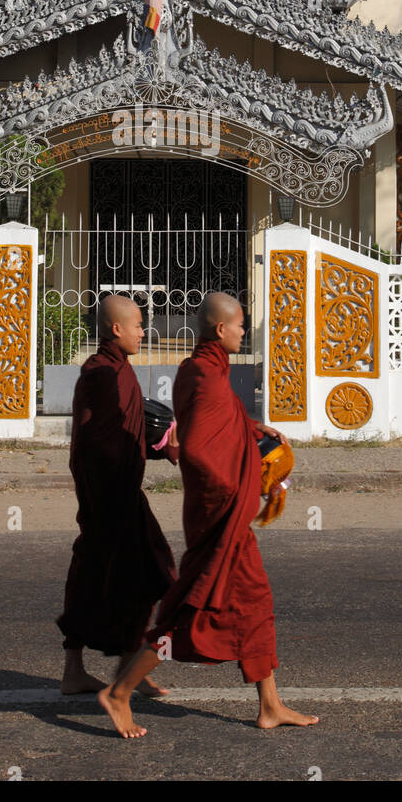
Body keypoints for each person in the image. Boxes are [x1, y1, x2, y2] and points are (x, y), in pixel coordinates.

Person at [98, 291, 319, 737]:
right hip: (219, 515)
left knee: (253, 602)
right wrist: (251, 481)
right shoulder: (206, 376)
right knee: (192, 610)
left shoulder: (201, 370)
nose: (245, 331)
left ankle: (270, 704)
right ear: (221, 330)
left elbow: (222, 423)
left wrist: (254, 430)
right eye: (240, 325)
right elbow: (200, 451)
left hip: (225, 514)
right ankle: (119, 691)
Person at [58, 294, 177, 695]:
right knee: (101, 575)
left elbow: (126, 432)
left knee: (143, 575)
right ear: (116, 329)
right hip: (108, 497)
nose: (145, 332)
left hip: (124, 492)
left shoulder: (118, 370)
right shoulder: (101, 375)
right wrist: (98, 501)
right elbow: (93, 444)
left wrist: (159, 445)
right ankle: (76, 671)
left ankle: (128, 665)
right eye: (139, 325)